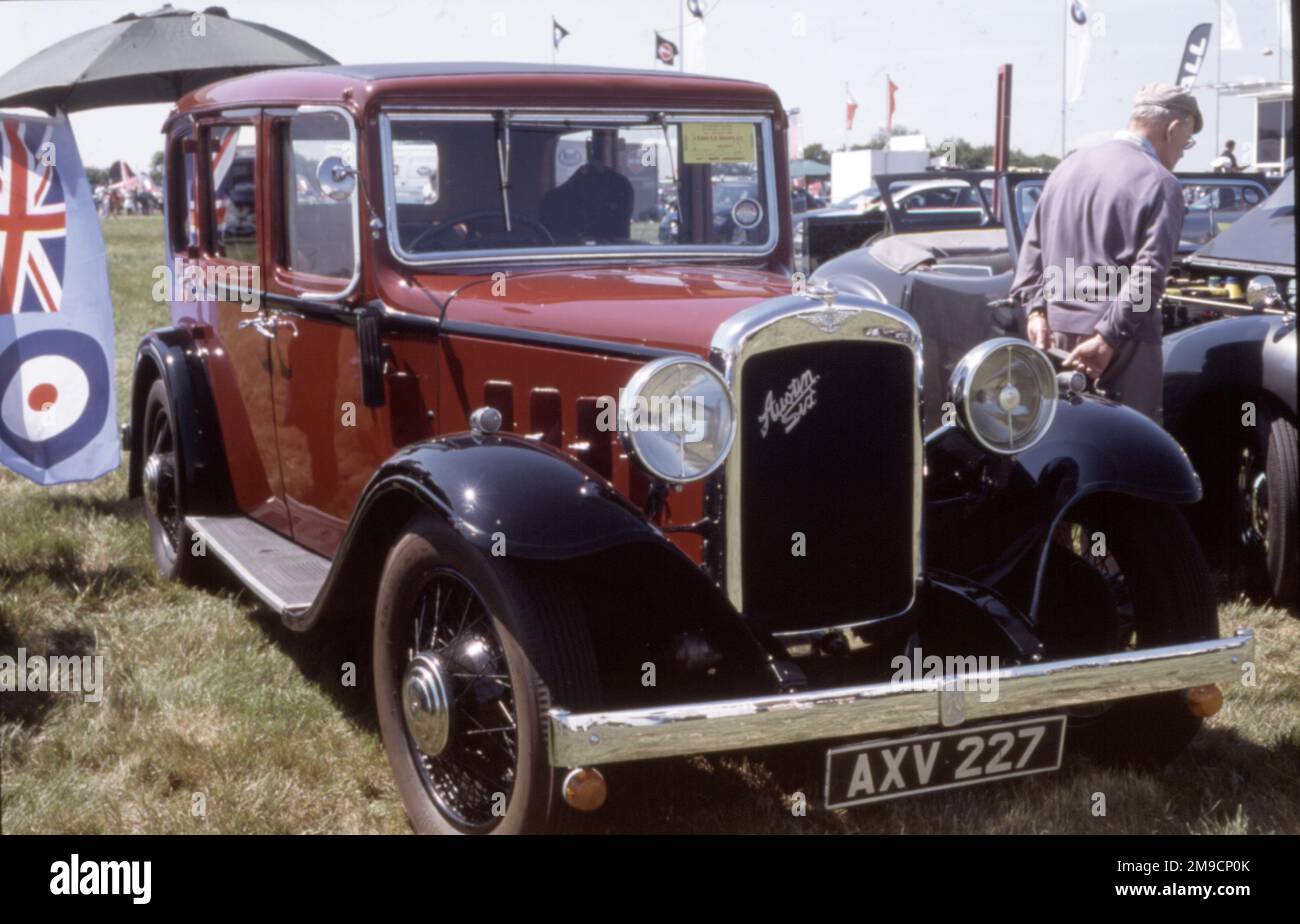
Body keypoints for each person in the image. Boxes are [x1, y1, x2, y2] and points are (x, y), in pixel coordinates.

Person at [1010, 82, 1201, 423]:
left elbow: (1032, 250)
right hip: (1121, 347)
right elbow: (1149, 275)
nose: (1182, 152)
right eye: (1186, 143)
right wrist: (1107, 338)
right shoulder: (1161, 182)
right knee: (1129, 454)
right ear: (1172, 129)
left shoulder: (1066, 168)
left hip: (1053, 336)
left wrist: (1036, 312)